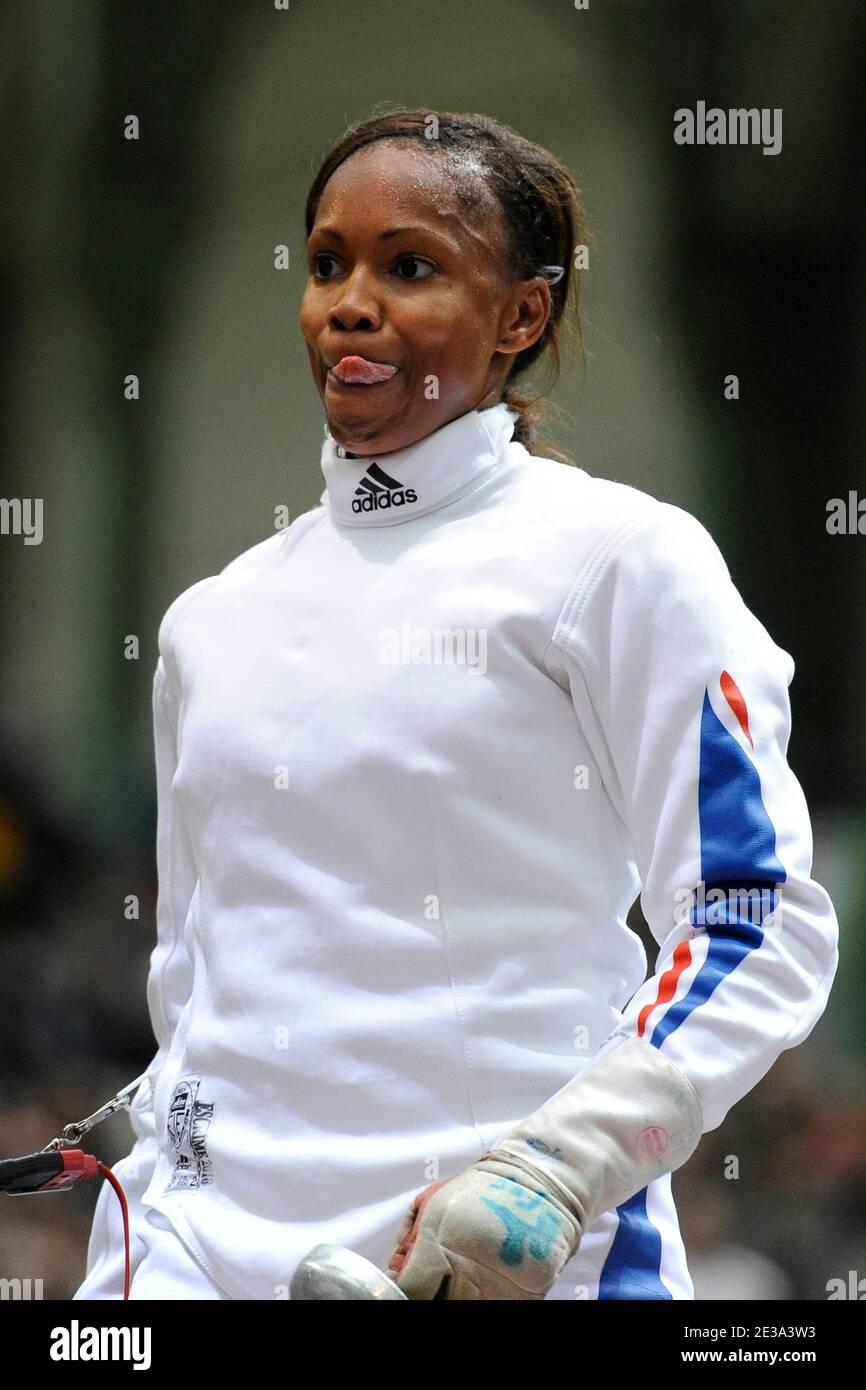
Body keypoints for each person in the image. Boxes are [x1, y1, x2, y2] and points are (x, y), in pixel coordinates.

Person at [74, 108, 839, 1301]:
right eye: (327, 263)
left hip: (522, 1256)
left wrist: (558, 1167)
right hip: (194, 1264)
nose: (350, 302)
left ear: (520, 314)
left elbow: (754, 918)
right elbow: (197, 988)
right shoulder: (207, 623)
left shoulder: (617, 559)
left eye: (410, 266)